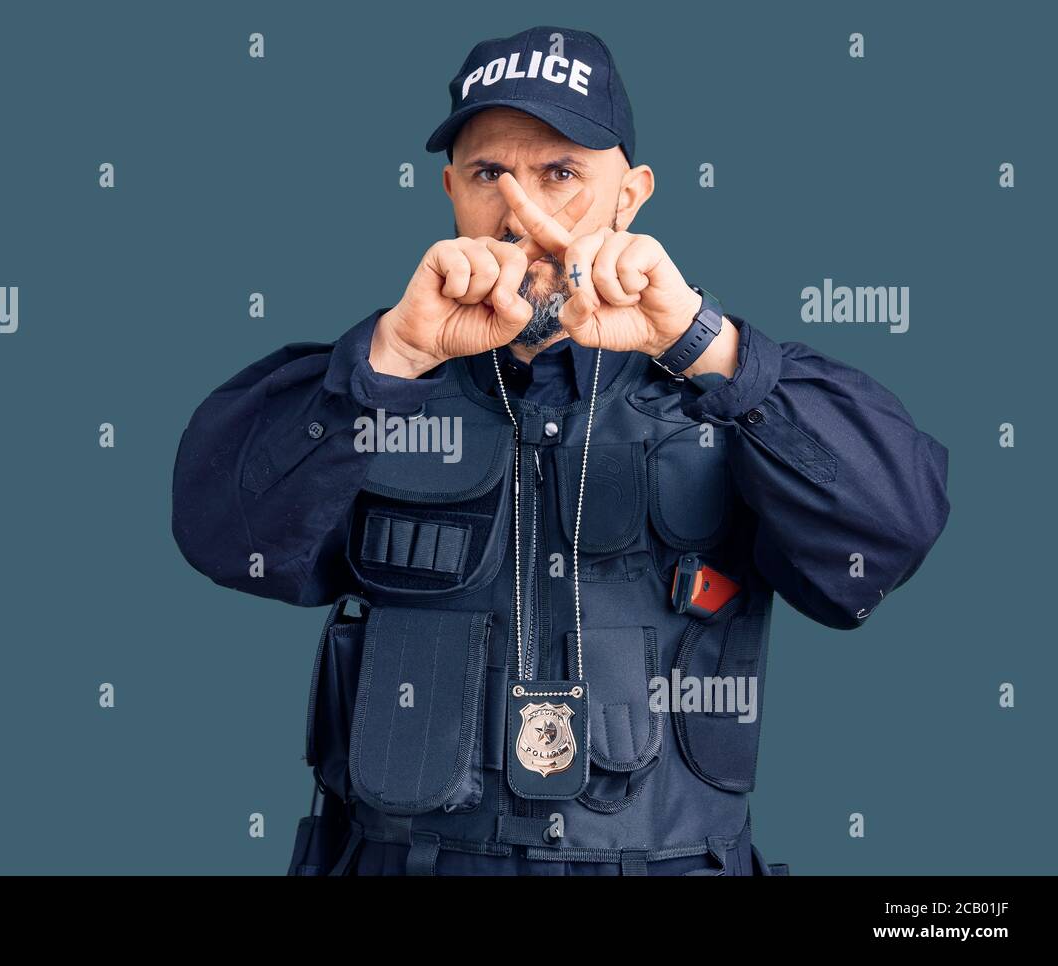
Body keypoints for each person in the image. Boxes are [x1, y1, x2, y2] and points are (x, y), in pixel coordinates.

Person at [171, 25, 950, 875]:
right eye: (488, 175)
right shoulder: (374, 384)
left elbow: (892, 531)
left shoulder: (727, 394)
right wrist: (386, 362)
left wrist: (703, 344)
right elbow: (223, 538)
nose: (521, 213)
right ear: (450, 193)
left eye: (561, 174)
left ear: (633, 195)